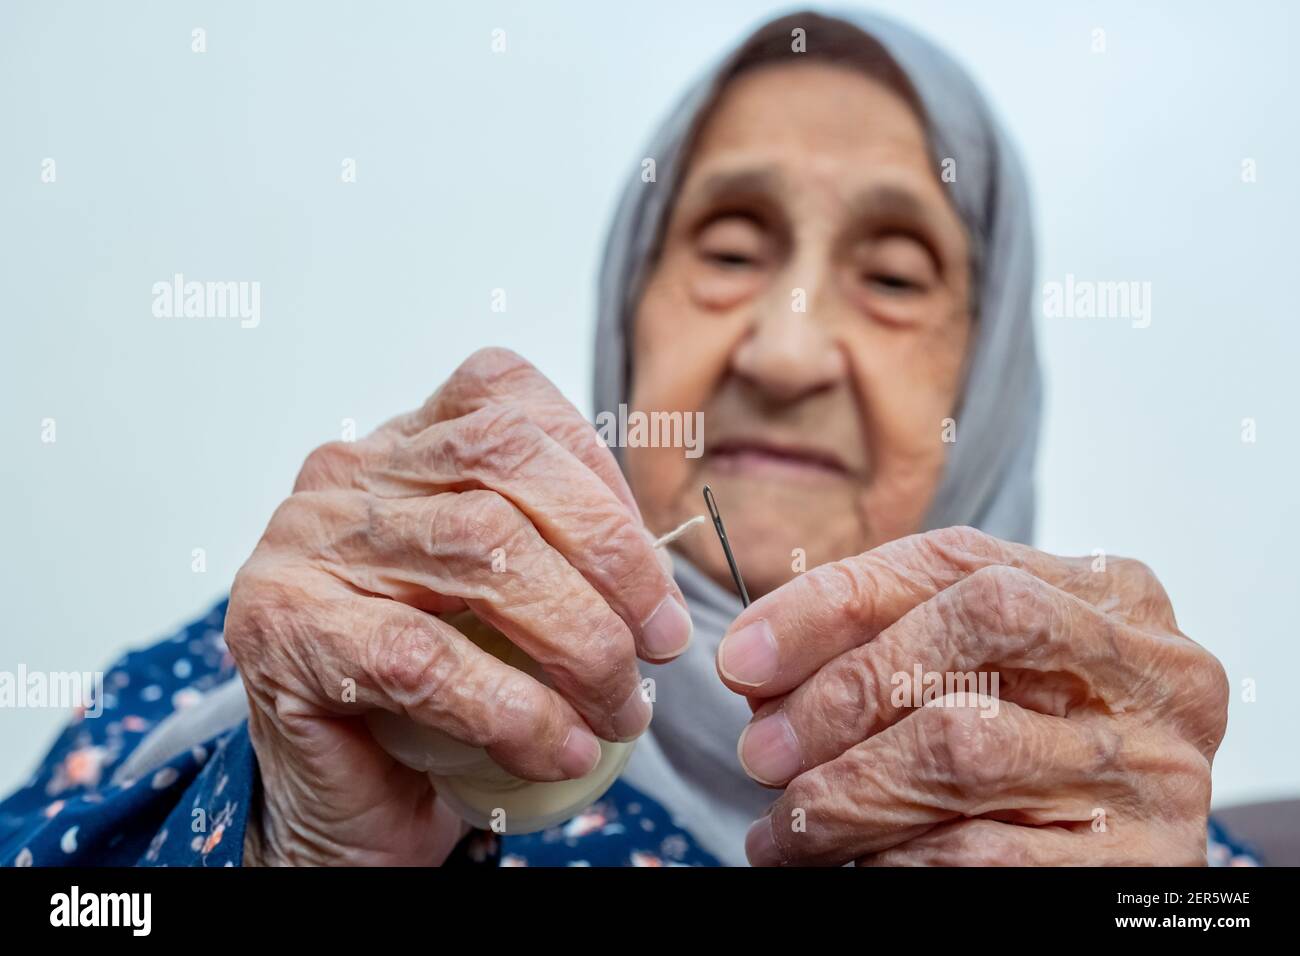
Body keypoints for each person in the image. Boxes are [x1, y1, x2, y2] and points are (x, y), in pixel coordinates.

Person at [0, 9, 1258, 868]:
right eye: (726, 247)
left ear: (985, 383)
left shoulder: (1143, 827)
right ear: (626, 318)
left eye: (891, 274)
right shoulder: (296, 681)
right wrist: (294, 845)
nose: (782, 349)